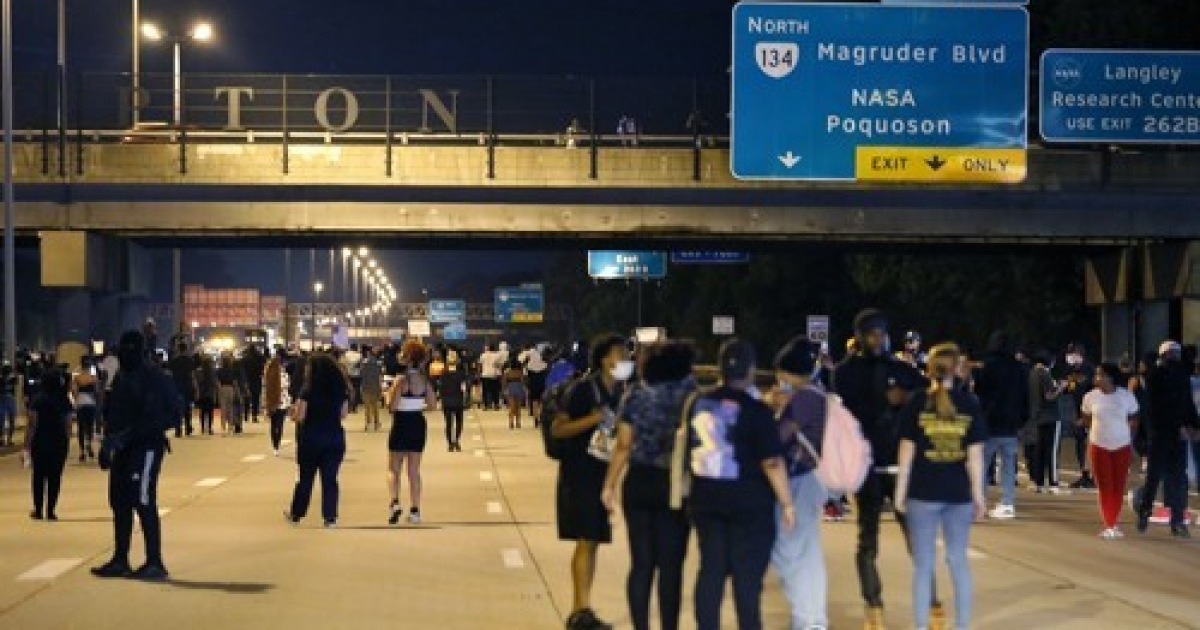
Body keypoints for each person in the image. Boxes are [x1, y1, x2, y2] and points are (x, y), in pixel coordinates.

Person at [679, 339, 794, 630]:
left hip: (705, 498)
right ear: (752, 370)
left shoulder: (697, 402)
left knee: (711, 572)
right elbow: (772, 462)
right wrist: (787, 502)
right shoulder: (757, 411)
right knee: (747, 579)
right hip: (748, 505)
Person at [832, 309, 933, 630]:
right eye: (870, 333)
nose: (877, 339)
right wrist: (885, 399)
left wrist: (907, 398)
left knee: (917, 538)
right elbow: (851, 409)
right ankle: (873, 604)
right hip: (867, 465)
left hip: (900, 463)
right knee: (868, 539)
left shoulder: (901, 369)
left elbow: (930, 394)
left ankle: (931, 603)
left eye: (881, 333)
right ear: (859, 337)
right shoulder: (846, 373)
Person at [601, 342, 698, 630]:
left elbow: (623, 445)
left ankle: (641, 626)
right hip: (674, 486)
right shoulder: (691, 397)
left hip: (639, 483)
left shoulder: (635, 395)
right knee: (671, 567)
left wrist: (609, 485)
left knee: (641, 564)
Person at [895, 343, 987, 630]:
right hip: (958, 494)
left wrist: (900, 492)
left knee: (923, 568)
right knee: (958, 563)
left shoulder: (916, 403)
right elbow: (975, 456)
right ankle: (962, 626)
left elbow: (906, 452)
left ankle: (921, 626)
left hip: (922, 493)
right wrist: (979, 495)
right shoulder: (970, 404)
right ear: (958, 368)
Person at [552, 333, 631, 630]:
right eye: (620, 354)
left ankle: (583, 609)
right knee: (585, 539)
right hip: (579, 473)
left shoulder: (619, 391)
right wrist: (592, 419)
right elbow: (558, 429)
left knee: (593, 541)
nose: (625, 359)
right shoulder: (583, 390)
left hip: (601, 472)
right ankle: (579, 611)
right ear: (603, 360)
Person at [91, 331, 170, 580]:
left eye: (129, 348)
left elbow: (162, 415)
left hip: (147, 447)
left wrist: (130, 435)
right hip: (122, 448)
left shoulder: (152, 377)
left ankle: (154, 561)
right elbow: (114, 414)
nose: (124, 353)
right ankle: (120, 558)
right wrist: (107, 445)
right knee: (119, 502)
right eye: (121, 348)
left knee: (143, 500)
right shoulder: (122, 376)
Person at [766, 337, 831, 630]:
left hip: (801, 479)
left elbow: (779, 438)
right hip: (809, 478)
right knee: (805, 552)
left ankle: (809, 620)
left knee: (792, 552)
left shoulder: (805, 398)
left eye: (782, 373)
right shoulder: (816, 394)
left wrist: (770, 409)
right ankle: (810, 618)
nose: (779, 380)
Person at [1136, 341, 1199, 538]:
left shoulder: (1181, 377)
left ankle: (1177, 520)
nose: (1174, 356)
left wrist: (1194, 425)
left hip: (1176, 435)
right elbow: (1158, 407)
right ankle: (1145, 510)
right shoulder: (1156, 376)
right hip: (1161, 433)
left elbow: (1186, 403)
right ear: (1163, 356)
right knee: (1155, 476)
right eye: (1170, 353)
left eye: (1176, 353)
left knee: (1178, 479)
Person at [284, 353, 350, 528]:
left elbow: (301, 416)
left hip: (310, 438)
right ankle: (330, 517)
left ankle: (296, 513)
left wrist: (293, 413)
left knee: (306, 478)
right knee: (330, 479)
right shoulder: (340, 389)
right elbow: (343, 415)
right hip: (334, 437)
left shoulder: (308, 390)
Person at [1080, 362, 1139, 539]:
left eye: (1100, 375)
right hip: (1099, 445)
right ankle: (1109, 524)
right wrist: (1093, 430)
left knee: (1118, 486)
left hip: (1122, 445)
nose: (1097, 378)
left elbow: (1134, 419)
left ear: (1110, 377)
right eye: (1097, 375)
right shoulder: (1090, 397)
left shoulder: (1126, 396)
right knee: (1105, 486)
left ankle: (1114, 522)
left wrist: (1130, 438)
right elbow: (1086, 419)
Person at [974, 330, 1028, 520]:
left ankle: (979, 501)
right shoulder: (1019, 368)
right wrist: (1022, 419)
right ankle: (1007, 503)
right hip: (1011, 423)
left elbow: (979, 392)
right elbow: (1024, 396)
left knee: (982, 463)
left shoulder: (987, 366)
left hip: (988, 422)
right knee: (1008, 465)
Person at [386, 341, 437, 525]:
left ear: (406, 358)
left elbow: (392, 406)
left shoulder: (401, 380)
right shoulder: (424, 381)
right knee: (414, 470)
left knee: (394, 467)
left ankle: (394, 502)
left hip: (401, 423)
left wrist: (390, 396)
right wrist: (417, 405)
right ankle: (415, 510)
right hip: (417, 423)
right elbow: (432, 405)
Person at [23, 368, 73, 520]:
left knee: (38, 476)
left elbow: (32, 424)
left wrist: (26, 445)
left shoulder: (37, 399)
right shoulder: (64, 400)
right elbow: (68, 424)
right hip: (59, 442)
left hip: (40, 441)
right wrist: (66, 440)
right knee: (55, 477)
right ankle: (51, 510)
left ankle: (38, 510)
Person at [1028, 350, 1068, 494]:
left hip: (1037, 417)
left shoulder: (1032, 374)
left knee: (1039, 450)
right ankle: (1053, 482)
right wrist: (1061, 387)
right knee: (1052, 451)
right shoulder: (1044, 374)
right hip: (1050, 416)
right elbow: (1050, 395)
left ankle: (1038, 482)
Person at [1061, 343, 1096, 490]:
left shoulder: (1089, 370)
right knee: (1079, 443)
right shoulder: (1072, 371)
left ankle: (1093, 476)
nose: (1069, 356)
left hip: (1090, 414)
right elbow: (1069, 390)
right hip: (1077, 412)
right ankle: (1085, 474)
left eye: (1072, 353)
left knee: (1090, 445)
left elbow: (1090, 390)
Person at [72, 358, 102, 463]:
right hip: (91, 403)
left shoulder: (77, 377)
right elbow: (97, 391)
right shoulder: (93, 378)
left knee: (81, 427)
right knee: (90, 426)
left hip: (81, 402)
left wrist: (77, 400)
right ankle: (89, 445)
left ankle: (82, 451)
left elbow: (74, 391)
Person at [263, 347, 292, 456]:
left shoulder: (268, 374)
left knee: (273, 424)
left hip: (272, 401)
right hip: (282, 402)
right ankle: (277, 445)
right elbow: (287, 386)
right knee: (279, 425)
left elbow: (265, 388)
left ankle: (274, 445)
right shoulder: (284, 374)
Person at [166, 344, 197, 437]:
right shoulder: (190, 361)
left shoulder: (173, 361)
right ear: (186, 349)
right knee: (187, 408)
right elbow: (192, 375)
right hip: (187, 386)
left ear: (178, 350)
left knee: (177, 409)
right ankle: (188, 428)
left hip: (176, 387)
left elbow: (169, 374)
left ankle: (178, 430)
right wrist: (195, 387)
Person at [439, 350, 468, 452]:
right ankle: (456, 441)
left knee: (448, 423)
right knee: (459, 422)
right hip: (458, 400)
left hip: (446, 400)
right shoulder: (461, 374)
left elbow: (441, 388)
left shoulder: (443, 374)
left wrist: (440, 400)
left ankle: (450, 444)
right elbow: (463, 388)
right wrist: (465, 399)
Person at [216, 355, 243, 436]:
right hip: (230, 388)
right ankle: (230, 425)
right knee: (230, 407)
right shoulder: (232, 370)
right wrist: (237, 392)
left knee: (223, 408)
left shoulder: (219, 371)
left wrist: (219, 389)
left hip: (223, 388)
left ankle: (223, 426)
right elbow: (235, 382)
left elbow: (217, 381)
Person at [360, 347, 384, 432]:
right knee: (375, 406)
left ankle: (368, 423)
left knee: (367, 407)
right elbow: (380, 376)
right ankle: (376, 423)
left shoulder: (364, 363)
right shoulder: (379, 364)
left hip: (365, 387)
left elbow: (361, 374)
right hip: (375, 387)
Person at [524, 344, 550, 420]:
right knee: (541, 401)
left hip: (533, 385)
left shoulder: (529, 366)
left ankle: (535, 417)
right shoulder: (544, 365)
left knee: (534, 401)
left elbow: (526, 375)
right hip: (542, 385)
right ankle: (541, 415)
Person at [242, 344, 267, 424]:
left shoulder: (245, 358)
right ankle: (254, 416)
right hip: (257, 379)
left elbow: (242, 369)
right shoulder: (259, 357)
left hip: (247, 380)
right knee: (256, 399)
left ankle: (246, 415)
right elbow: (265, 363)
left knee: (246, 398)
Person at [195, 357, 219, 436]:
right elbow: (215, 383)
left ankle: (202, 427)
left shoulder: (199, 372)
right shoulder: (212, 372)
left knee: (202, 411)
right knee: (210, 412)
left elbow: (197, 383)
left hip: (202, 394)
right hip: (210, 394)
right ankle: (209, 428)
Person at [504, 357, 528, 429]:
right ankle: (518, 422)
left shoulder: (507, 372)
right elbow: (523, 382)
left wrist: (504, 390)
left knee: (511, 407)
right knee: (518, 407)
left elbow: (504, 382)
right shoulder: (520, 372)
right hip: (519, 388)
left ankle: (511, 422)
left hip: (510, 388)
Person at [480, 344, 503, 411]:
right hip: (494, 375)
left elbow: (480, 364)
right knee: (495, 391)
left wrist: (479, 374)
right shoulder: (497, 355)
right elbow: (500, 365)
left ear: (489, 348)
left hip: (485, 375)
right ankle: (496, 405)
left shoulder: (483, 355)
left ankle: (485, 406)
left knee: (485, 391)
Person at [1, 363, 18, 446]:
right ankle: (2, 439)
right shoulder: (1, 379)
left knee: (11, 420)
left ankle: (9, 439)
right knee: (2, 420)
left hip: (9, 399)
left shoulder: (12, 379)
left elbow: (16, 381)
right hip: (3, 399)